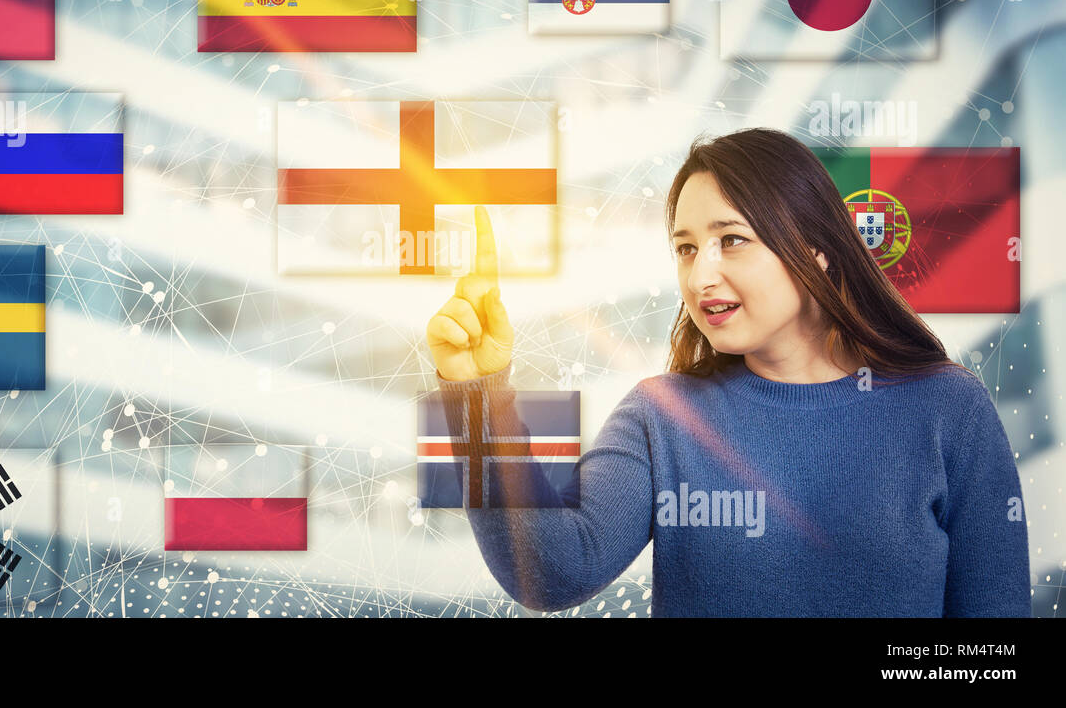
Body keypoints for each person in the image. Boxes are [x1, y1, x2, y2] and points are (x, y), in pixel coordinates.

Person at [425, 128, 1031, 617]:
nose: (699, 276)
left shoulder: (948, 409)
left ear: (815, 249)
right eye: (686, 247)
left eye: (730, 240)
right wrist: (477, 397)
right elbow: (553, 572)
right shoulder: (664, 416)